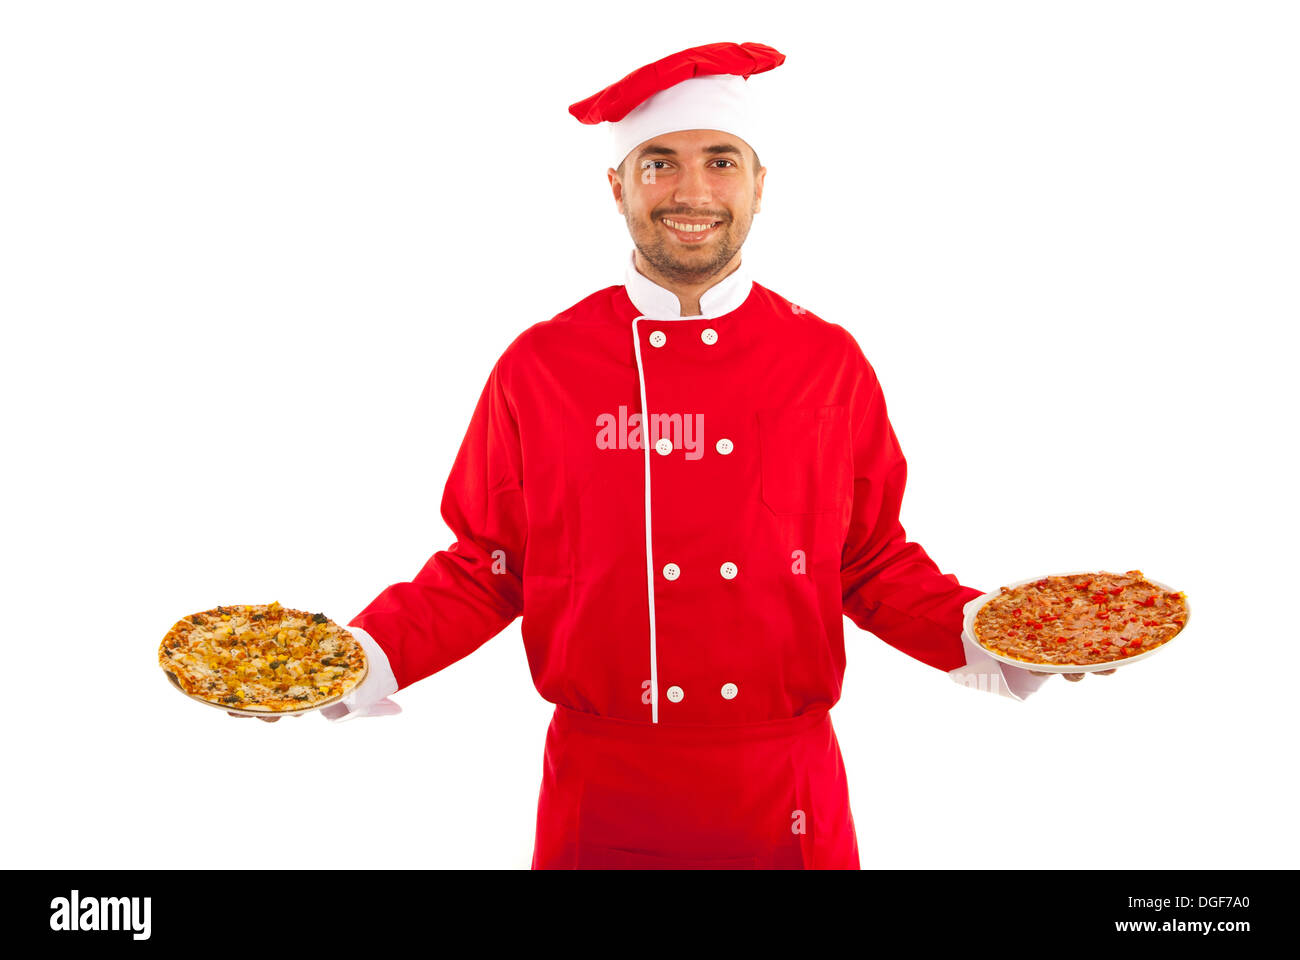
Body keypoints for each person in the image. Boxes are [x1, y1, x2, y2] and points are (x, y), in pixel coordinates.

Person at [237, 41, 1111, 867]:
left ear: (760, 185)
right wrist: (354, 657)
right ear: (616, 184)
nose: (691, 190)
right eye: (660, 163)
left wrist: (995, 638)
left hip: (785, 788)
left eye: (720, 160)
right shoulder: (541, 366)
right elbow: (488, 564)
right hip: (604, 787)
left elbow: (870, 559)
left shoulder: (826, 360)